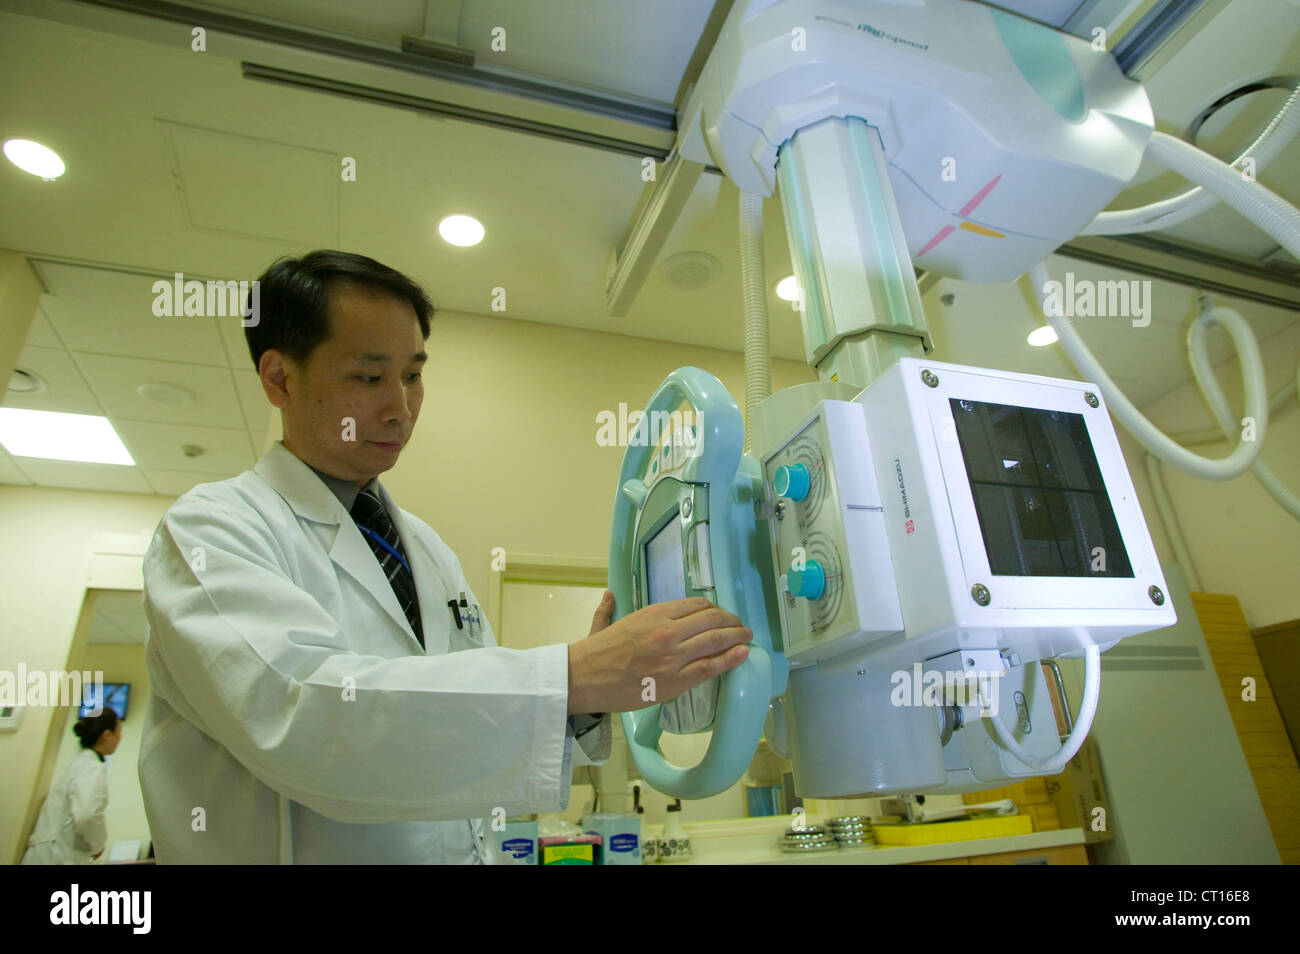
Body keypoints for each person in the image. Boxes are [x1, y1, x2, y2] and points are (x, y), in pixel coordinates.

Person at [138, 250, 751, 864]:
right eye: (369, 377)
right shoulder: (212, 531)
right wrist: (572, 674)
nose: (400, 408)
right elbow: (306, 719)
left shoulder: (425, 549)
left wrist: (587, 692)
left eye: (413, 375)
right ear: (280, 379)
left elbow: (460, 725)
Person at [22, 709, 120, 864]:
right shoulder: (91, 767)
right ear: (107, 735)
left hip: (49, 853)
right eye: (118, 733)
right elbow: (88, 815)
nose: (119, 739)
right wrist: (98, 845)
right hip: (58, 856)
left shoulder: (79, 765)